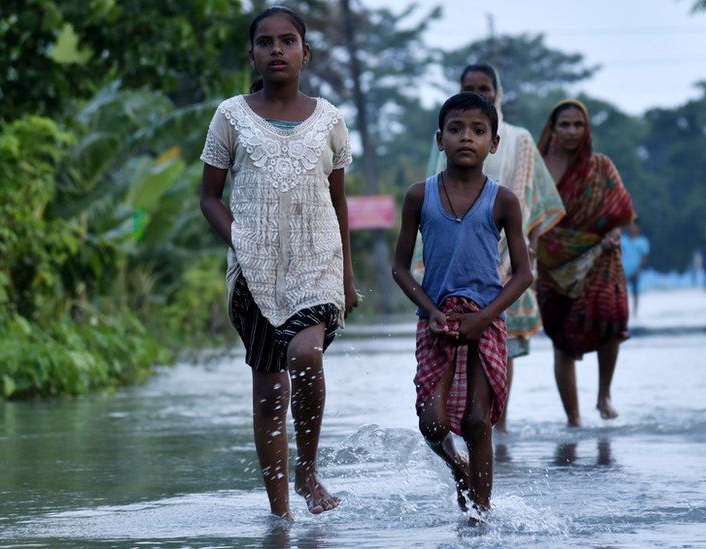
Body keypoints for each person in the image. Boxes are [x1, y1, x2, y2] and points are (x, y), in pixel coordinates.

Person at [199, 6, 359, 520]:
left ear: (305, 53)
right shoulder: (230, 116)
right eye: (265, 42)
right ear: (252, 54)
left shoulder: (329, 120)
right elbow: (209, 197)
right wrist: (240, 240)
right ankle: (280, 513)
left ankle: (307, 471)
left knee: (306, 356)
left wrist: (348, 277)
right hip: (254, 272)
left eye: (287, 41)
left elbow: (339, 202)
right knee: (270, 391)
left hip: (317, 262)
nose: (276, 50)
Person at [392, 92, 533, 518]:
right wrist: (432, 311)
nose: (466, 137)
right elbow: (400, 268)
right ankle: (457, 466)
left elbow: (523, 274)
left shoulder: (502, 200)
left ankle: (480, 517)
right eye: (455, 129)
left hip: (485, 320)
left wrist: (484, 318)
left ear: (494, 143)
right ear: (440, 140)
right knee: (431, 422)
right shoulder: (419, 196)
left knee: (476, 420)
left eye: (477, 130)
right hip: (435, 319)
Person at [426, 63, 565, 433]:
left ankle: (496, 424)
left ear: (497, 93)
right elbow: (432, 191)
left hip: (507, 252)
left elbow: (532, 195)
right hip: (457, 252)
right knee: (448, 341)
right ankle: (456, 426)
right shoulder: (449, 136)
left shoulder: (518, 138)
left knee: (499, 338)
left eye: (485, 88)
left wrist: (526, 253)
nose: (478, 93)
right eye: (469, 87)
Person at [536, 99, 636, 427]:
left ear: (587, 128)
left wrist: (614, 233)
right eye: (564, 124)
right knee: (561, 337)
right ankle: (573, 417)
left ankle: (604, 394)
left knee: (611, 320)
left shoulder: (601, 166)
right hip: (552, 260)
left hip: (601, 255)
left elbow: (619, 210)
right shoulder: (538, 168)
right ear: (552, 128)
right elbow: (527, 213)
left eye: (578, 124)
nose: (571, 131)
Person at [620, 220, 650, 316]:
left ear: (639, 228)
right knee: (621, 293)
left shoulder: (643, 241)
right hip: (622, 272)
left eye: (634, 226)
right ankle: (622, 310)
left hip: (635, 272)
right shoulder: (623, 240)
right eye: (631, 226)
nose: (632, 228)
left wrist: (638, 271)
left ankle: (635, 312)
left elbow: (644, 258)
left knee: (635, 292)